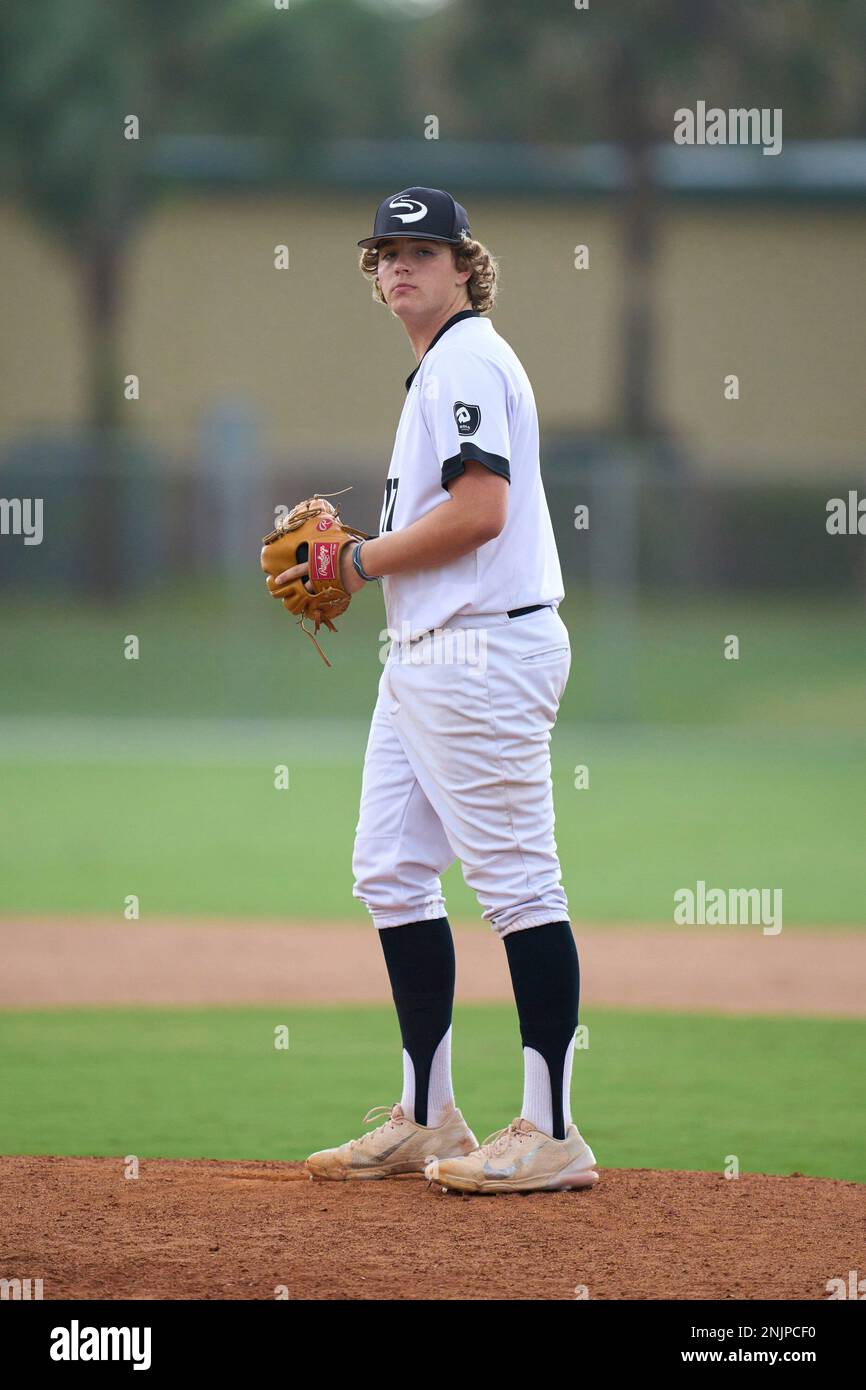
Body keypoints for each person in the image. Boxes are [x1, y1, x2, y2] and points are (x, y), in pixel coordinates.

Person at [277, 187, 599, 1194]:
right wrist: (371, 568)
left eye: (424, 249)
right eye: (385, 251)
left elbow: (480, 511)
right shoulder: (435, 369)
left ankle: (550, 1132)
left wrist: (358, 559)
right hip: (425, 654)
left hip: (478, 652)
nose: (401, 266)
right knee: (389, 871)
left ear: (466, 264)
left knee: (517, 887)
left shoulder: (463, 357)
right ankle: (427, 1115)